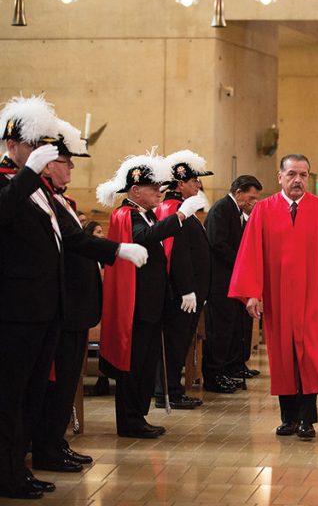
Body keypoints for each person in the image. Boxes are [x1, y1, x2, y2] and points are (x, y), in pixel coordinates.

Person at [0, 96, 146, 498]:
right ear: (12, 146)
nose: (40, 156)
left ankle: (19, 468)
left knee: (32, 394)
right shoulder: (11, 182)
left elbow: (71, 238)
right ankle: (7, 473)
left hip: (47, 310)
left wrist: (117, 251)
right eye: (33, 147)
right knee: (10, 397)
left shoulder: (39, 190)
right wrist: (28, 173)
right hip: (15, 311)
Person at [229, 154, 318, 439]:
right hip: (278, 296)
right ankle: (288, 419)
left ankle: (308, 419)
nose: (298, 180)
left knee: (307, 356)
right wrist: (252, 294)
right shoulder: (263, 210)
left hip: (312, 296)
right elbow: (252, 253)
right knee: (282, 357)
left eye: (303, 175)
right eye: (292, 174)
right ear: (279, 177)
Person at [97, 151, 206, 438]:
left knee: (145, 364)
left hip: (151, 303)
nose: (159, 192)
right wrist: (181, 215)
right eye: (153, 187)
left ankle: (139, 416)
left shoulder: (145, 215)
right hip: (136, 305)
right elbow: (144, 238)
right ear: (135, 190)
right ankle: (130, 419)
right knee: (134, 365)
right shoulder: (126, 215)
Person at [153, 150, 213, 410]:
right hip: (180, 292)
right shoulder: (173, 209)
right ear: (179, 184)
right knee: (174, 342)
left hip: (191, 291)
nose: (198, 185)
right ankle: (168, 392)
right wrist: (187, 289)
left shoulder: (186, 209)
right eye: (193, 181)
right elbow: (176, 253)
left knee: (181, 341)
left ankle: (173, 390)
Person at [203, 175, 262, 393]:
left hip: (232, 281)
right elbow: (217, 243)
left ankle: (229, 368)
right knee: (219, 329)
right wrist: (242, 261)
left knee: (232, 328)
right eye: (251, 197)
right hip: (220, 282)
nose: (254, 202)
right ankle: (214, 375)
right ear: (238, 193)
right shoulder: (221, 209)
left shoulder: (237, 211)